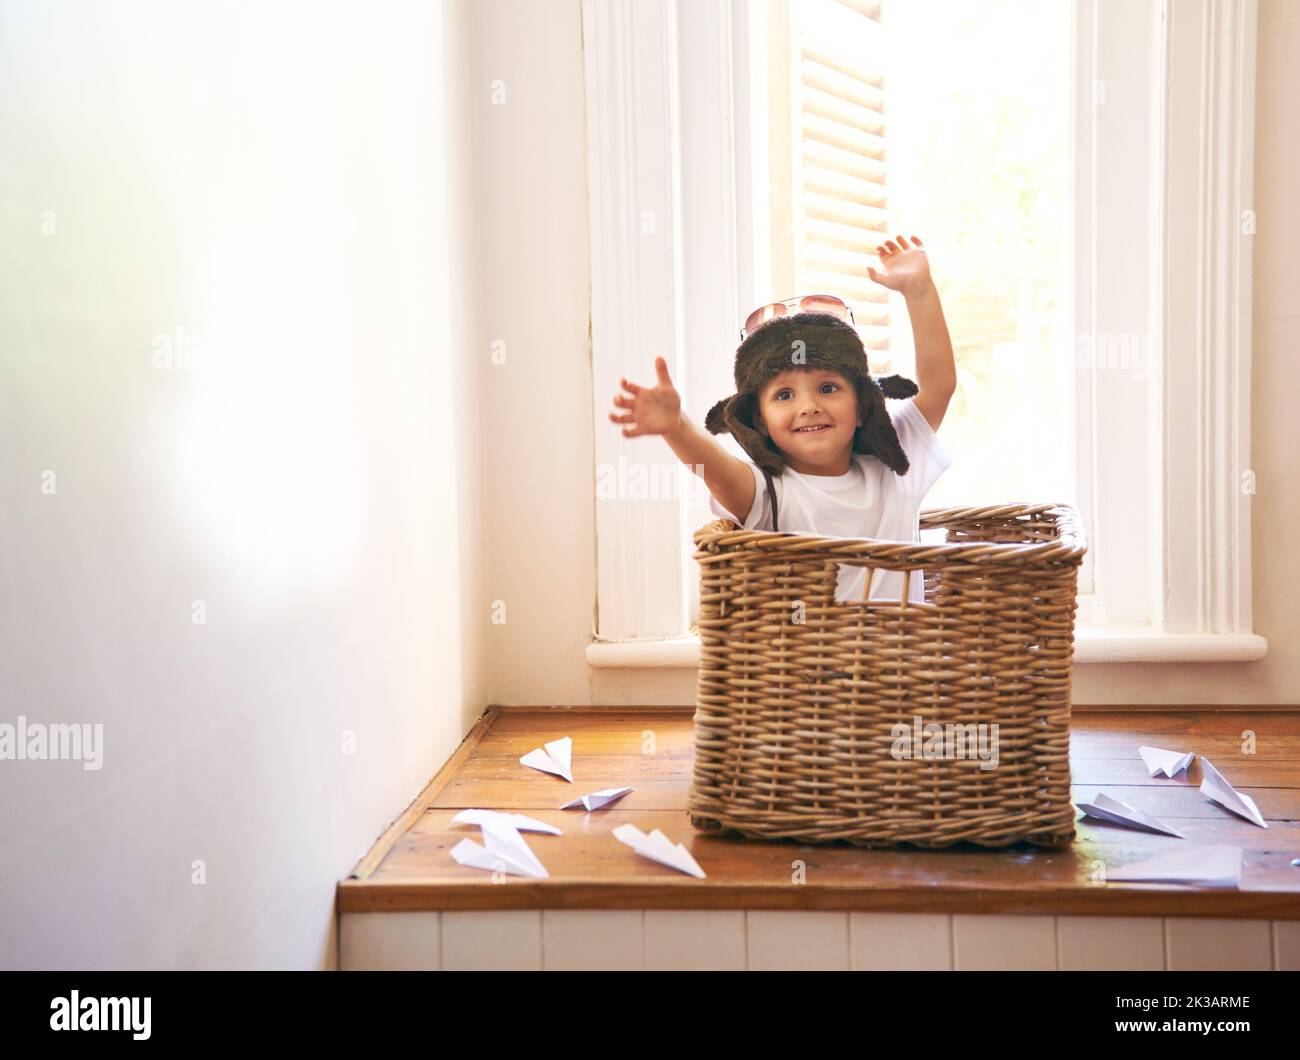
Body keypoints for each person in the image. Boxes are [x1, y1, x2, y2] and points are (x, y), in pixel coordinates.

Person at [608, 234, 958, 604]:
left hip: (902, 661)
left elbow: (938, 386)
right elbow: (714, 466)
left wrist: (919, 289)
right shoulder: (769, 492)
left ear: (861, 406)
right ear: (759, 422)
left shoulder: (893, 467)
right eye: (784, 395)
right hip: (799, 662)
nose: (808, 406)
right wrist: (676, 425)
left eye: (827, 388)